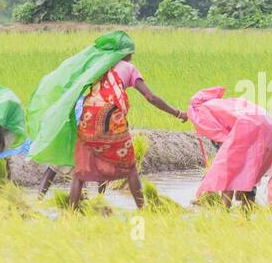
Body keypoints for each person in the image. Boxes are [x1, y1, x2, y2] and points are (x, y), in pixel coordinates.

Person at [27, 31, 188, 209]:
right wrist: (178, 113)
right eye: (130, 52)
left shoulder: (98, 66)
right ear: (124, 53)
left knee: (80, 172)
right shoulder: (129, 68)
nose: (132, 56)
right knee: (130, 169)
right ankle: (142, 210)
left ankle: (70, 214)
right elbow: (150, 97)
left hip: (88, 118)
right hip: (111, 119)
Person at [188, 87, 272, 206]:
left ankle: (224, 211)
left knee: (229, 170)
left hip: (250, 127)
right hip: (270, 126)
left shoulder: (202, 112)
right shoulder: (224, 104)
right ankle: (247, 211)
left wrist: (212, 177)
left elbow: (225, 145)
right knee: (251, 168)